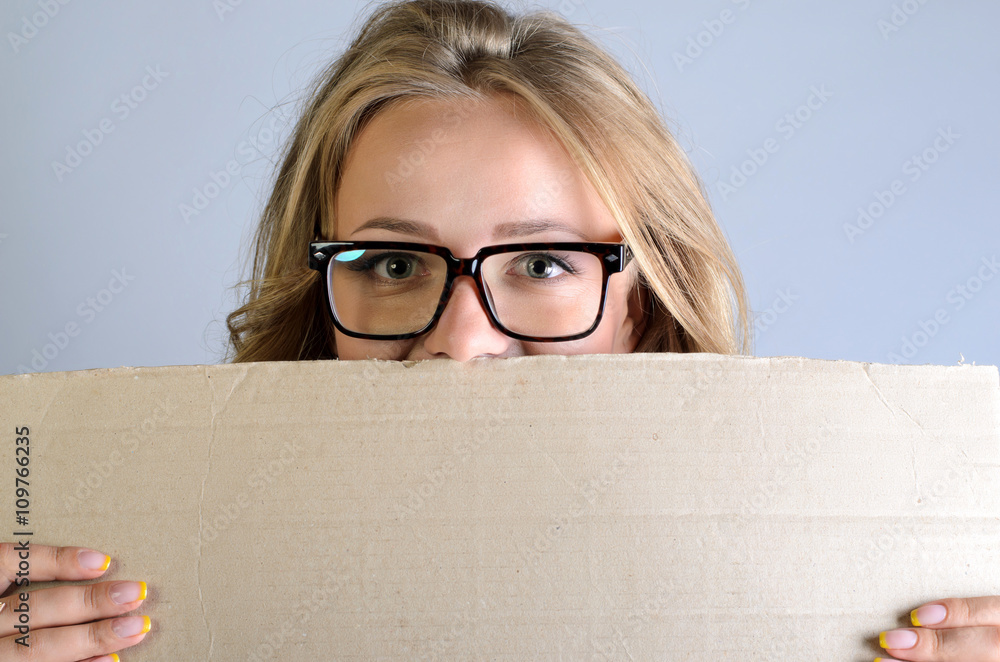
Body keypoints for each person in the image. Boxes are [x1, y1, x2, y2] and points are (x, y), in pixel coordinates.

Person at [1, 2, 995, 660]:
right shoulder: (155, 568)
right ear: (321, 294)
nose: (463, 343)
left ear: (636, 299)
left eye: (540, 263)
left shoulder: (826, 577)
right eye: (393, 264)